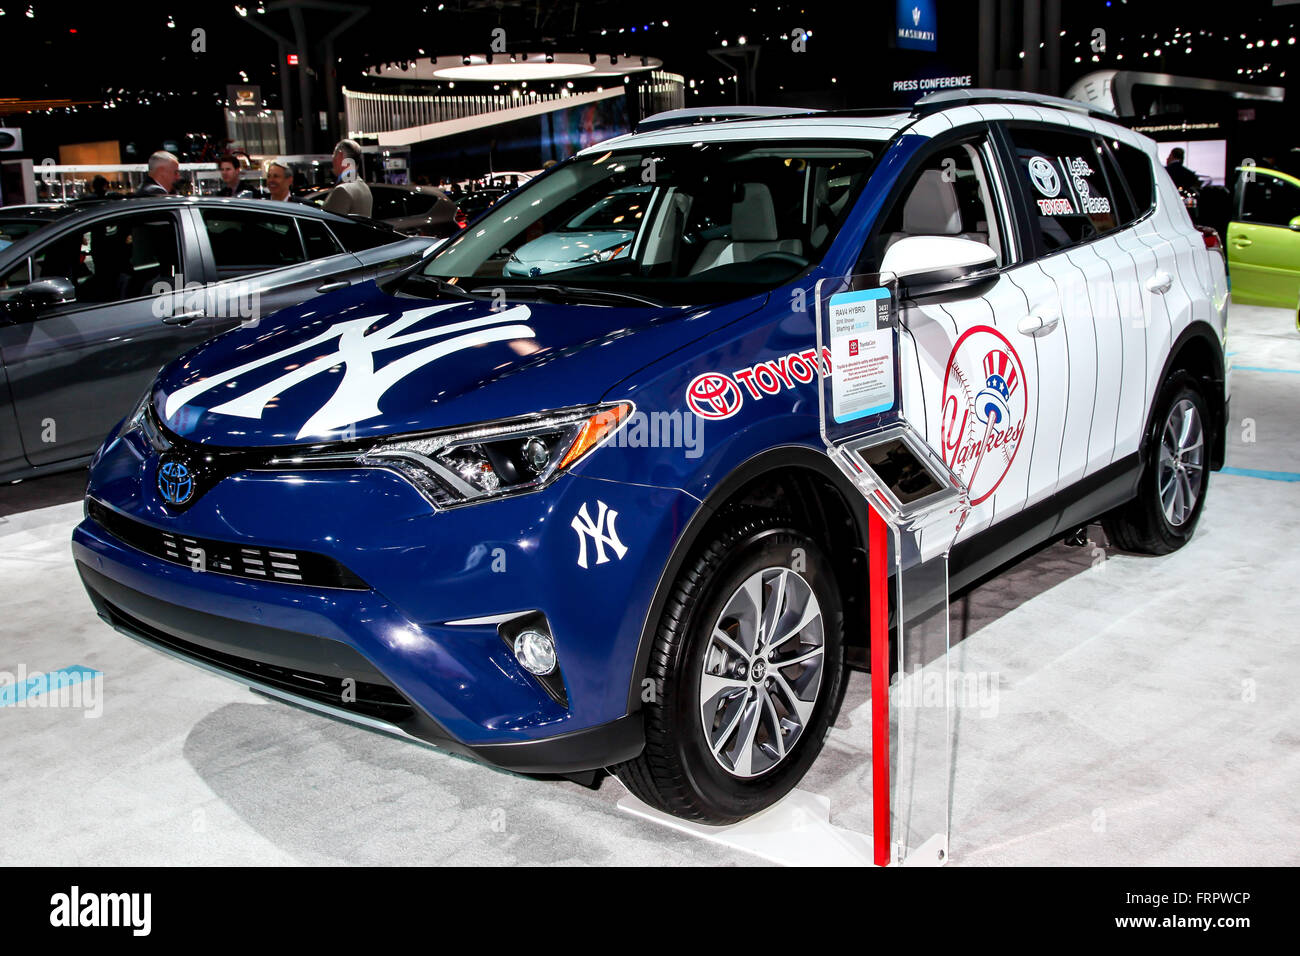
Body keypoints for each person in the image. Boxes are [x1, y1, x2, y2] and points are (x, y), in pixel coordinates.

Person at [322, 139, 372, 217]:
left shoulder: (342, 190)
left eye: (334, 155)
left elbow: (332, 224)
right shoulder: (365, 188)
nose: (333, 160)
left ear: (340, 155)